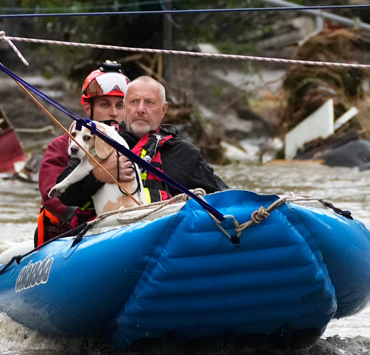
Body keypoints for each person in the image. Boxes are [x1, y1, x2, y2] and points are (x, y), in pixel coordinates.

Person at [53, 75, 227, 221]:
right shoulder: (99, 142)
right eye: (134, 102)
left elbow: (224, 198)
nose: (141, 109)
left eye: (150, 103)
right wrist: (99, 175)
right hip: (104, 236)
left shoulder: (186, 154)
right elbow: (65, 196)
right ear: (125, 107)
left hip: (162, 235)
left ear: (163, 109)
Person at [36, 62, 129, 245]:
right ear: (88, 108)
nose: (113, 112)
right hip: (73, 234)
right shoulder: (62, 145)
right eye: (105, 104)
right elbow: (51, 193)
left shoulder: (133, 145)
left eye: (120, 106)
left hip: (123, 228)